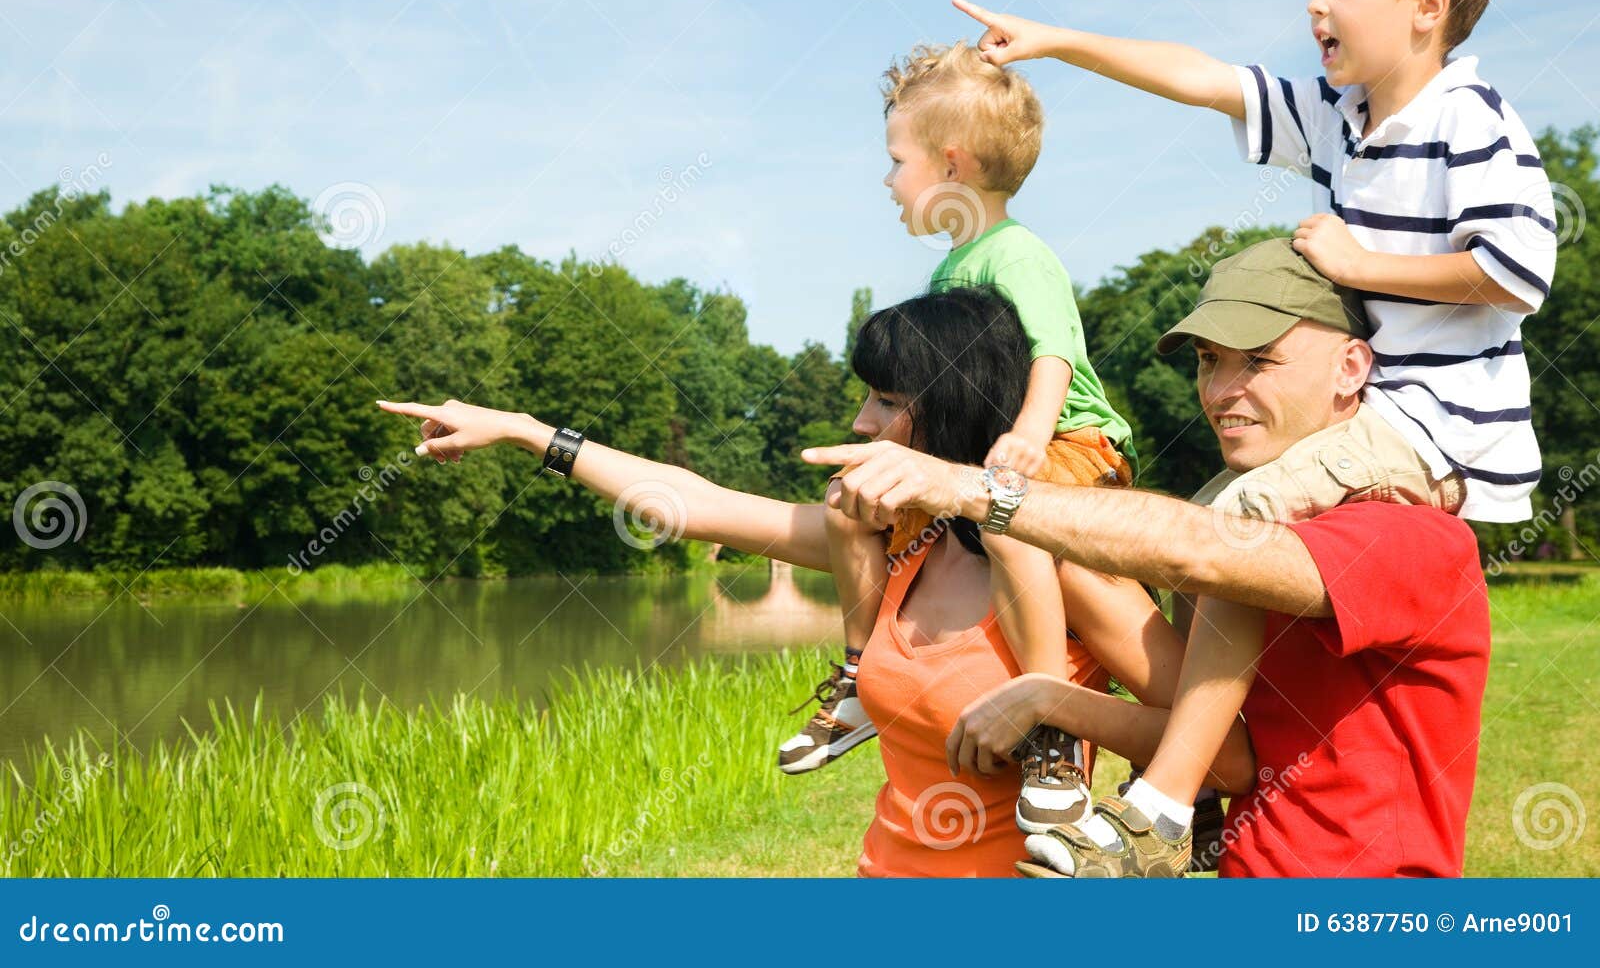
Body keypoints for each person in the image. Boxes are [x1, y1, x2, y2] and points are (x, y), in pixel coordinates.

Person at [946, 0, 1554, 870]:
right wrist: (1056, 40)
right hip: (1377, 409)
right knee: (1192, 531)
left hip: (1434, 424)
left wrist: (1360, 263)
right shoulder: (1342, 113)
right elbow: (1203, 77)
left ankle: (1161, 799)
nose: (1316, 5)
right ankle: (1197, 764)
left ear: (1427, 5)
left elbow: (1517, 268)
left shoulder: (1469, 119)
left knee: (1226, 533)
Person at [376, 286, 1149, 877]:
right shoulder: (900, 543)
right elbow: (695, 504)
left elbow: (1206, 746)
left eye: (886, 400)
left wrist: (1052, 704)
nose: (861, 421)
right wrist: (525, 430)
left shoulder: (1060, 562)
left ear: (951, 406)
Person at [807, 238, 1493, 878]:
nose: (1219, 392)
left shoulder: (1406, 537)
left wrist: (969, 487)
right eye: (1209, 361)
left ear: (1351, 368)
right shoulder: (1257, 521)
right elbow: (1234, 738)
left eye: (1258, 361)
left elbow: (1200, 550)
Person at [784, 40, 1138, 840]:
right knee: (844, 505)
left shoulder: (1016, 253)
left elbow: (1052, 354)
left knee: (1005, 525)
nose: (886, 180)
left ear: (950, 165)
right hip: (983, 453)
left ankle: (1050, 724)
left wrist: (1026, 439)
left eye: (895, 160)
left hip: (1070, 440)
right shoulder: (953, 270)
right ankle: (859, 674)